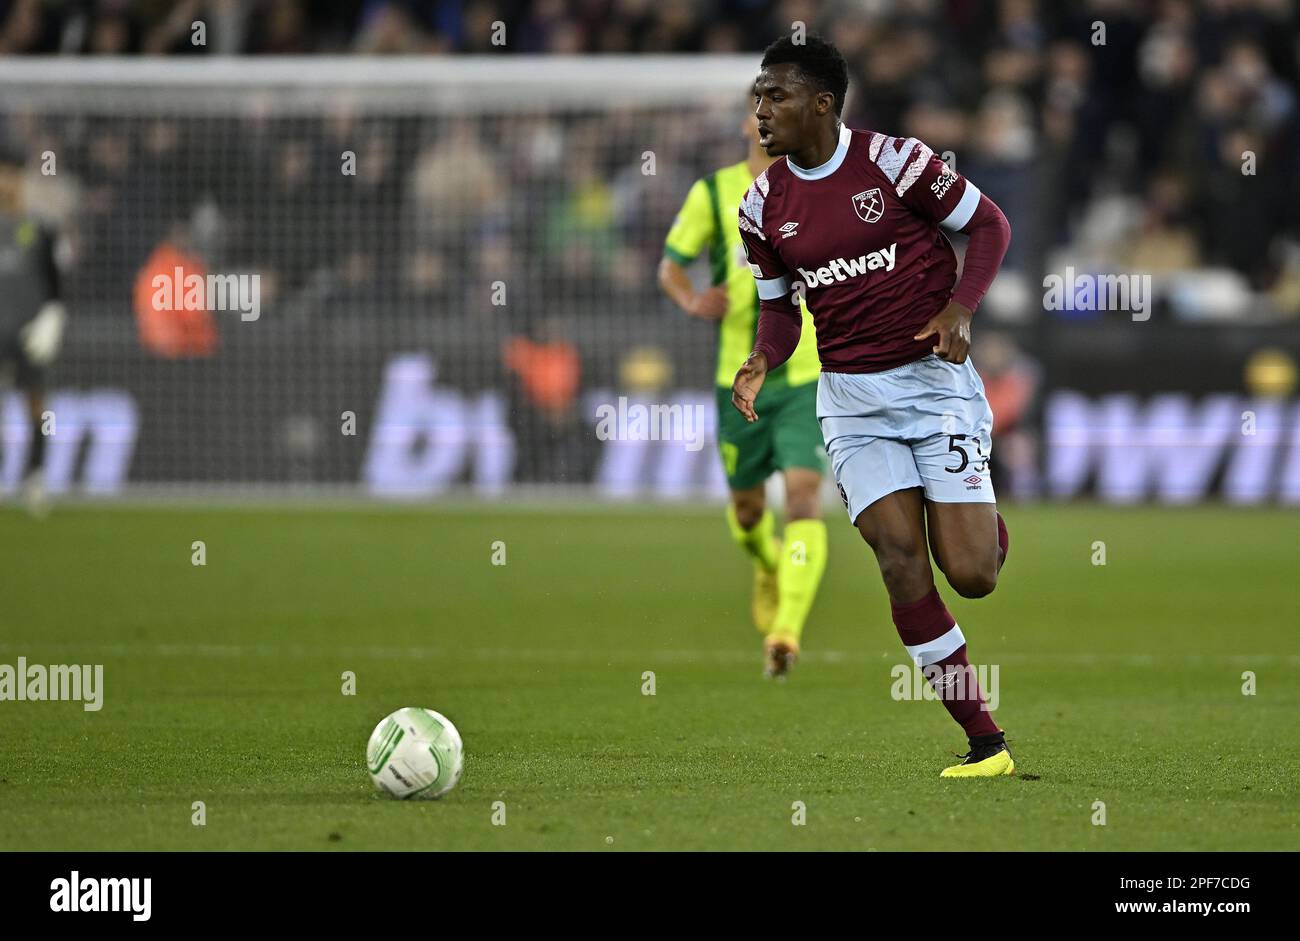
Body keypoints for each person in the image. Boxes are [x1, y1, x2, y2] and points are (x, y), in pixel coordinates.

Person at [732, 35, 1015, 776]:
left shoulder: (897, 163)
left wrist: (961, 307)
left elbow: (990, 226)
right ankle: (986, 743)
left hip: (933, 384)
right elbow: (780, 310)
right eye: (757, 97)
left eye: (776, 96)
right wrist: (764, 356)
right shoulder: (763, 206)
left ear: (822, 104)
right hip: (852, 401)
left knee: (973, 574)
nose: (761, 111)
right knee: (899, 561)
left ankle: (980, 523)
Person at [659, 108, 828, 678]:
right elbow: (670, 266)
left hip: (804, 373)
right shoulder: (713, 193)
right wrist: (691, 300)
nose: (767, 124)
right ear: (743, 125)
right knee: (749, 510)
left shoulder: (817, 189)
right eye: (759, 112)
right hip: (739, 374)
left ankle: (787, 631)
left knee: (804, 498)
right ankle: (767, 562)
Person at [0, 146, 65, 515]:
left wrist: (52, 317)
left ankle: (35, 477)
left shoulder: (39, 228)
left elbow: (55, 283)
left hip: (30, 332)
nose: (5, 183)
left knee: (37, 405)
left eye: (10, 175)